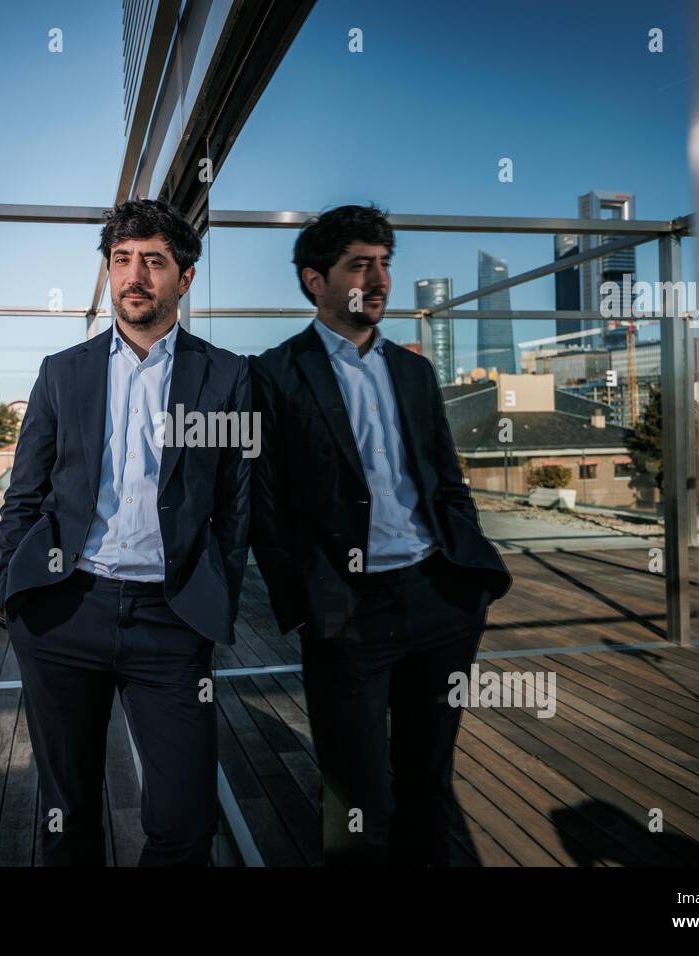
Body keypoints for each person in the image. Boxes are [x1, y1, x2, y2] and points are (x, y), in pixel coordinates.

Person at [249, 204, 513, 866]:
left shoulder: (415, 372)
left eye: (386, 262)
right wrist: (308, 603)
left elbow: (447, 481)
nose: (381, 277)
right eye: (360, 263)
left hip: (439, 599)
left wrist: (466, 579)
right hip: (346, 613)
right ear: (316, 280)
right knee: (356, 795)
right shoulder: (275, 375)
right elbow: (266, 507)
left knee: (428, 782)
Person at [0, 198, 250, 866]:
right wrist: (9, 595)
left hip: (171, 621)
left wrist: (210, 600)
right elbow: (23, 496)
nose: (135, 276)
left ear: (183, 279)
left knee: (184, 824)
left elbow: (237, 504)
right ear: (110, 271)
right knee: (65, 815)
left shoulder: (225, 376)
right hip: (62, 612)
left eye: (153, 262)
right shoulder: (63, 372)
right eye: (121, 260)